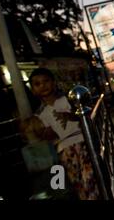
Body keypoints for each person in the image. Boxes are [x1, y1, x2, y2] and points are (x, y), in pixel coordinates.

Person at [27, 68, 99, 200]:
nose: (43, 86)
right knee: (78, 183)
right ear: (33, 90)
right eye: (37, 84)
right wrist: (42, 132)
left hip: (82, 142)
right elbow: (48, 137)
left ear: (53, 82)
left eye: (46, 81)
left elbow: (85, 115)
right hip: (65, 151)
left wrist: (70, 116)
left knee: (90, 178)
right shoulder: (39, 115)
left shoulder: (67, 100)